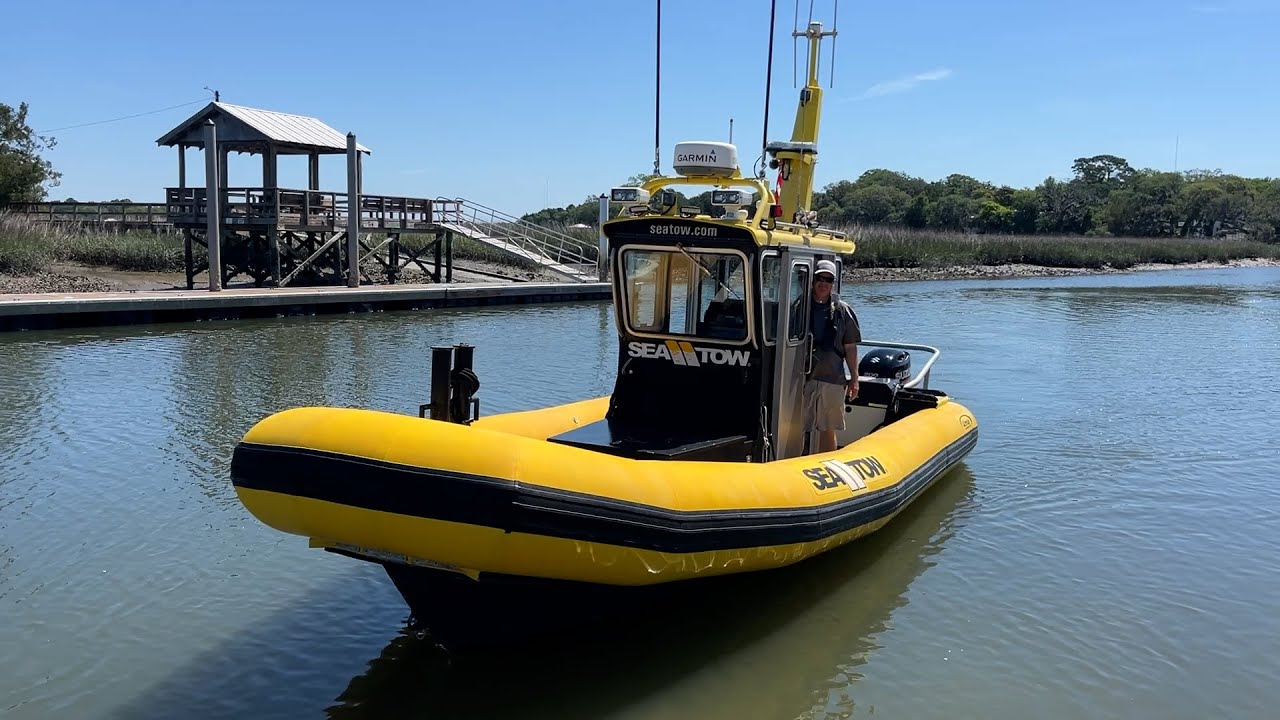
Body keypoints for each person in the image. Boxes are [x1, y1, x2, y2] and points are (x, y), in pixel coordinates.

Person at [803, 259, 862, 454]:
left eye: (828, 279)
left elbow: (850, 347)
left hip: (833, 379)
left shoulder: (843, 310)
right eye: (819, 278)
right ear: (813, 280)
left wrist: (854, 379)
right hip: (804, 379)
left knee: (828, 430)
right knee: (799, 428)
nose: (823, 282)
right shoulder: (800, 307)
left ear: (833, 283)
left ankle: (825, 464)